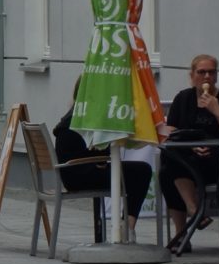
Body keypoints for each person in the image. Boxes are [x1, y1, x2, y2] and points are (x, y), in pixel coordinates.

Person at [161, 52, 219, 249]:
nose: (207, 76)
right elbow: (171, 132)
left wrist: (217, 111)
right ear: (192, 76)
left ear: (216, 76)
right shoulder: (183, 98)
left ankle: (186, 225)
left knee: (171, 170)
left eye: (211, 72)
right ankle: (193, 212)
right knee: (168, 164)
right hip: (187, 158)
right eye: (201, 72)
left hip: (217, 161)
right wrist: (190, 145)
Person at [52, 77, 152, 236]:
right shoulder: (87, 118)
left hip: (72, 173)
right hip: (82, 174)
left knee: (133, 170)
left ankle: (125, 227)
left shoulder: (73, 115)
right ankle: (128, 227)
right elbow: (103, 150)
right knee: (142, 171)